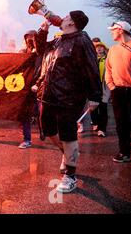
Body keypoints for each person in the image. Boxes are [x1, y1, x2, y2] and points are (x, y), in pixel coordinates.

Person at [35, 10, 101, 193]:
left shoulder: (82, 40)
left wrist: (95, 96)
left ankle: (70, 175)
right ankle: (67, 154)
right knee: (48, 130)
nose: (61, 17)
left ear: (72, 23)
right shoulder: (58, 39)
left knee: (68, 133)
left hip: (70, 96)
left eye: (66, 16)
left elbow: (92, 67)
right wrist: (42, 30)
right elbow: (41, 50)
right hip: (48, 94)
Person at [105, 21, 131, 163]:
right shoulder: (113, 49)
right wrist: (111, 86)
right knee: (121, 123)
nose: (111, 32)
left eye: (113, 30)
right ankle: (124, 152)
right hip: (118, 91)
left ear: (120, 30)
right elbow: (108, 70)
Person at [17, 30, 40, 149]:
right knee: (25, 114)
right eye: (27, 38)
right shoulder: (23, 51)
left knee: (40, 113)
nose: (29, 40)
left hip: (38, 87)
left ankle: (45, 133)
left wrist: (38, 83)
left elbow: (43, 69)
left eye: (31, 38)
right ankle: (27, 139)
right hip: (25, 87)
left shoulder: (42, 52)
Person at [91, 41, 110, 137]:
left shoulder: (108, 59)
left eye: (101, 47)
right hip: (94, 89)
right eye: (97, 47)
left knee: (103, 108)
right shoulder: (92, 60)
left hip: (104, 88)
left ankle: (102, 129)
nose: (99, 49)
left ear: (104, 49)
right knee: (93, 108)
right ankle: (96, 123)